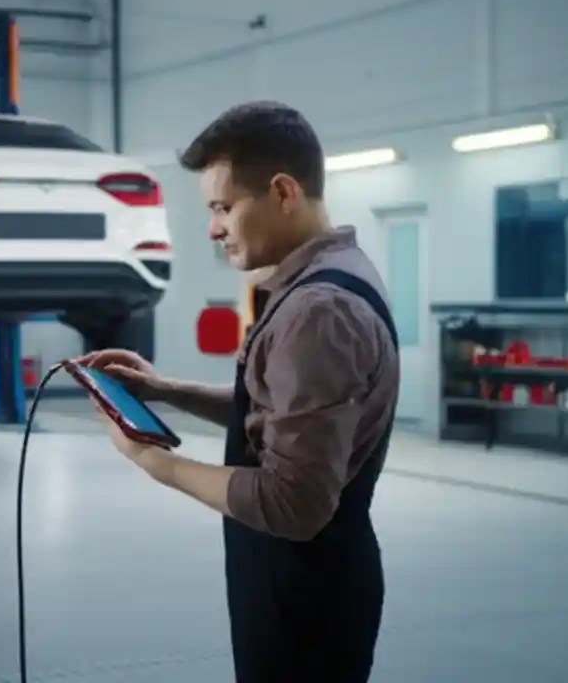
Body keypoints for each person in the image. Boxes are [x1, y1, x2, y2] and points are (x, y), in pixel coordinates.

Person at [79, 101, 400, 682]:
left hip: (304, 595)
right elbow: (283, 412)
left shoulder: (317, 312)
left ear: (282, 192)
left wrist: (155, 461)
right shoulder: (331, 276)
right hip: (304, 580)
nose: (213, 228)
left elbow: (292, 503)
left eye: (223, 207)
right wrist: (162, 389)